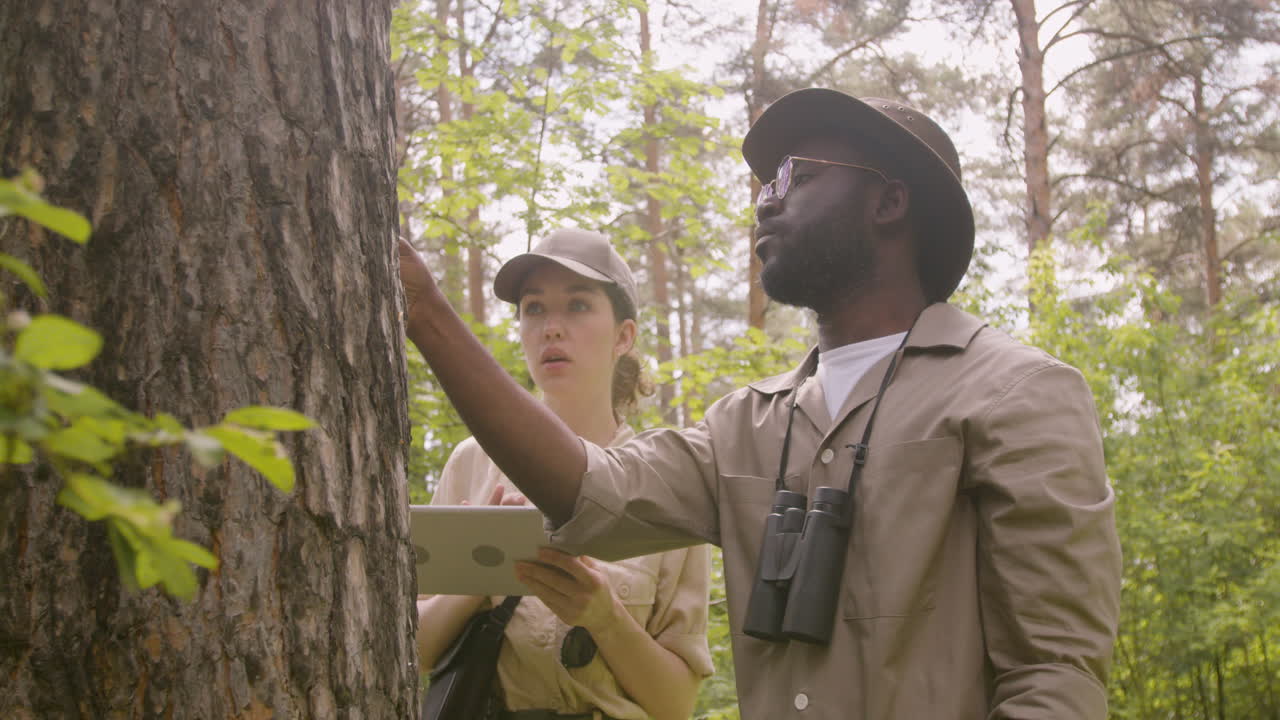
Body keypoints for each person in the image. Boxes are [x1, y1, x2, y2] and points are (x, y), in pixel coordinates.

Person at [399, 89, 1122, 719]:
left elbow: (1054, 674)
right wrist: (425, 313)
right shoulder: (745, 426)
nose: (766, 197)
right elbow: (588, 494)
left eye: (798, 175)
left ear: (890, 201)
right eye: (765, 179)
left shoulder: (1015, 391)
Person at [414, 228, 713, 720]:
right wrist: (479, 580)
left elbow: (676, 705)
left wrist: (605, 618)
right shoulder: (473, 461)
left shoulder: (667, 481)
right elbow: (419, 649)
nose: (551, 327)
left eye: (577, 306)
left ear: (624, 335)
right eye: (534, 308)